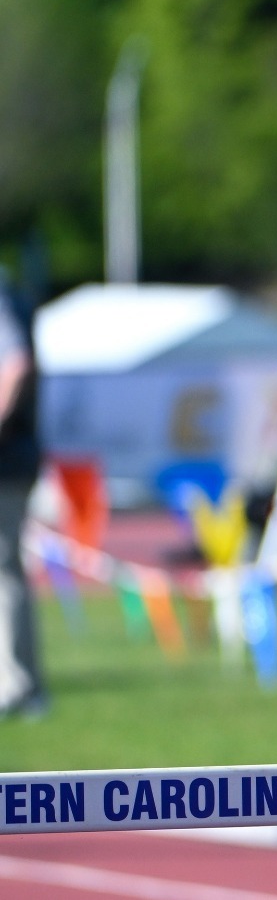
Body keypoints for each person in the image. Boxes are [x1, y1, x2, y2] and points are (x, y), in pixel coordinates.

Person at [0, 271, 44, 719]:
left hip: (6, 459)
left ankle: (16, 685)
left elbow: (15, 365)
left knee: (4, 571)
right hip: (15, 456)